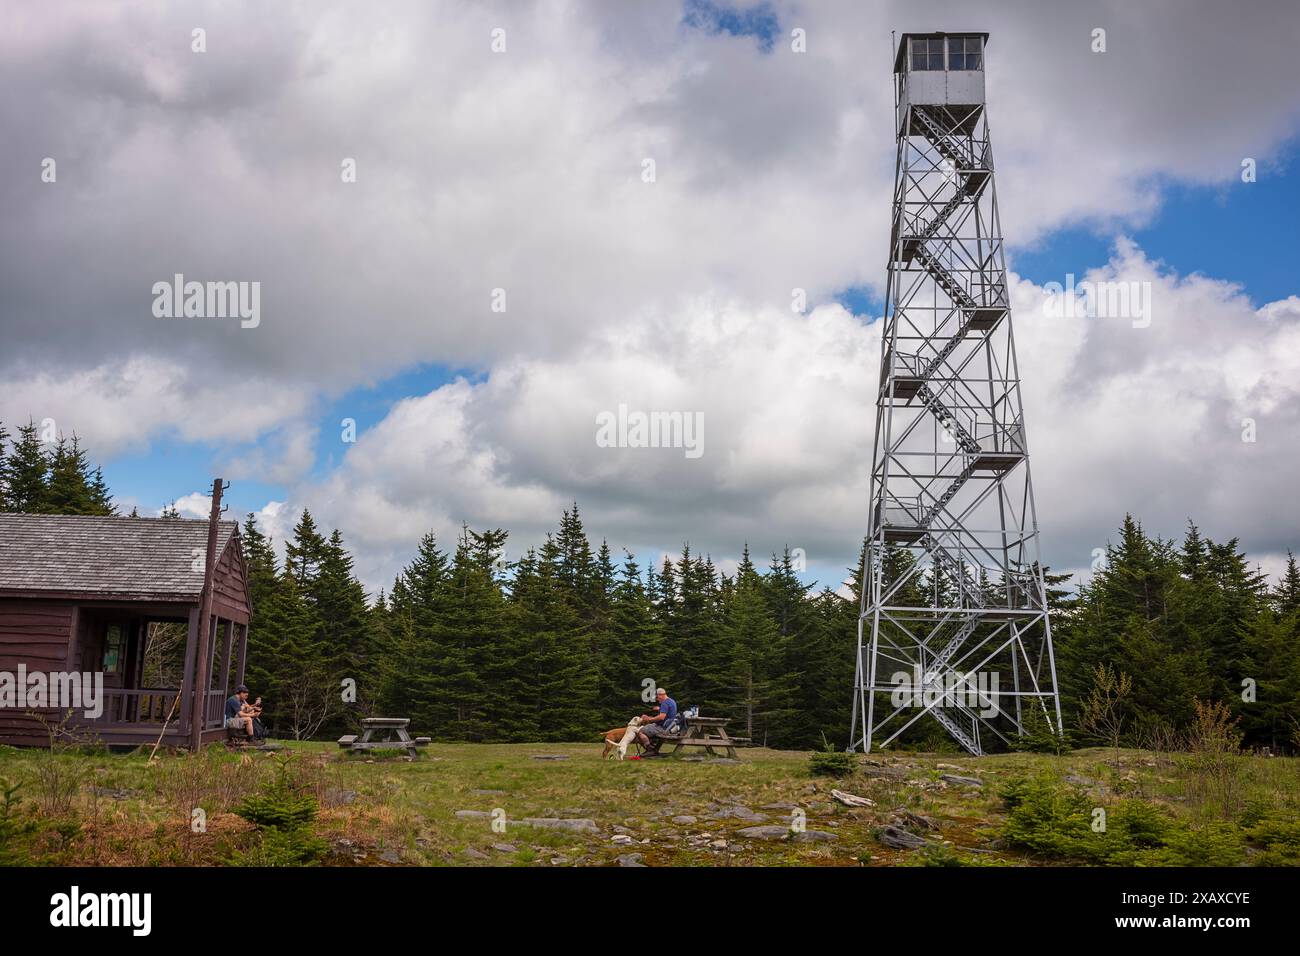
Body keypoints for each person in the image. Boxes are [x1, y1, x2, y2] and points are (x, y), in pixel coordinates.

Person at [636, 687, 678, 755]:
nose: (657, 699)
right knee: (648, 727)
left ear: (660, 695)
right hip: (668, 727)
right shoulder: (671, 701)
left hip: (661, 728)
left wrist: (648, 719)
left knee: (640, 732)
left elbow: (661, 717)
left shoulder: (665, 703)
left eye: (657, 697)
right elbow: (668, 713)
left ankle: (650, 750)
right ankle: (654, 748)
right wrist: (659, 709)